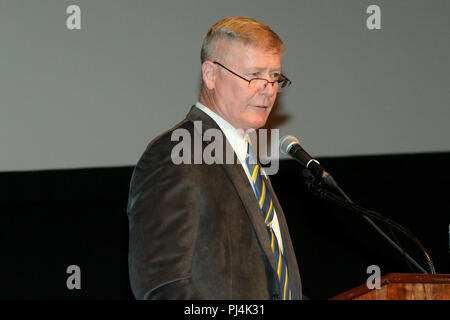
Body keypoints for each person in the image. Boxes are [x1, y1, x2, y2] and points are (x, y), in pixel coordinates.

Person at [127, 16, 302, 300]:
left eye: (274, 77)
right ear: (210, 75)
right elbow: (161, 287)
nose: (267, 89)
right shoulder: (176, 154)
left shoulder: (245, 157)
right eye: (254, 75)